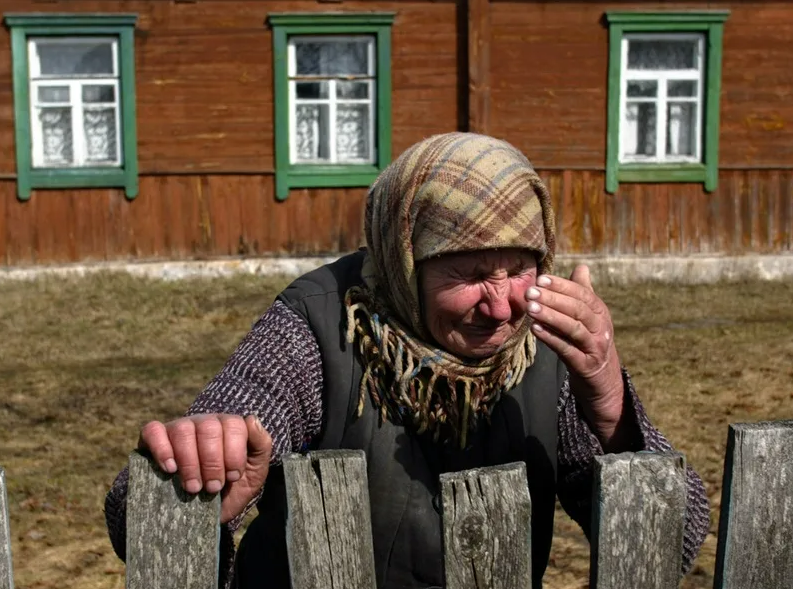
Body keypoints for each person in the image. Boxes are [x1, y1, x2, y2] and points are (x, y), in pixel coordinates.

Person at [105, 132, 709, 588]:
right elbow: (139, 512)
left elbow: (675, 544)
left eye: (520, 270)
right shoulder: (320, 324)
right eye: (470, 274)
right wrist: (203, 463)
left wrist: (610, 406)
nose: (500, 308)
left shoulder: (551, 347)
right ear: (403, 261)